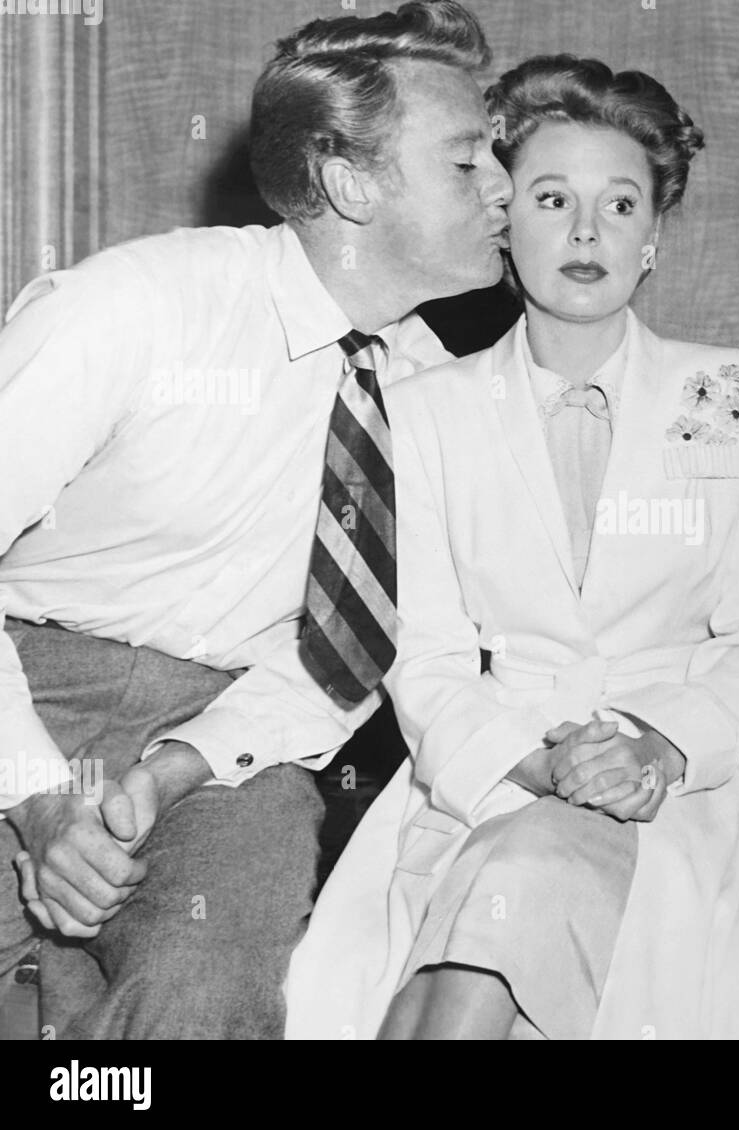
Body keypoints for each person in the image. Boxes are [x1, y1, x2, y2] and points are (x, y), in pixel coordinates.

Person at [285, 54, 739, 1040]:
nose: (586, 231)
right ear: (504, 219)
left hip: (677, 791)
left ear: (654, 236)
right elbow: (430, 657)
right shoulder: (422, 411)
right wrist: (535, 765)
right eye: (551, 197)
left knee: (461, 978)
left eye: (621, 204)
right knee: (471, 930)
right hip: (493, 773)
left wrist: (657, 746)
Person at [0, 0, 510, 1039]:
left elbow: (350, 651)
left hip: (231, 736)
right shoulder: (133, 307)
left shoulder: (438, 397)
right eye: (467, 162)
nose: (503, 185)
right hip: (22, 677)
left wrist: (182, 760)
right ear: (346, 179)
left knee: (214, 977)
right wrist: (44, 799)